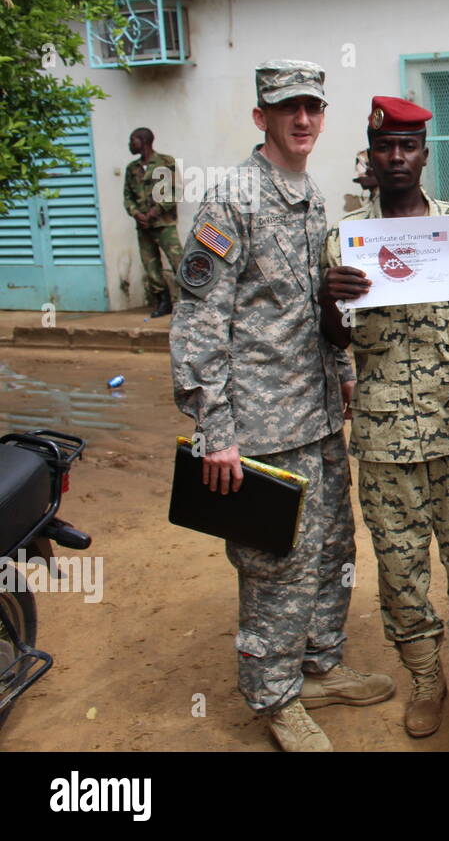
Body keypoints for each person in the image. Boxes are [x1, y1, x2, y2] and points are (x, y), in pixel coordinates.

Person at [171, 60, 393, 753]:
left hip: (320, 412)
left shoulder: (313, 195)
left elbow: (316, 305)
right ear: (260, 115)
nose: (303, 119)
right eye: (287, 107)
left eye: (313, 107)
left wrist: (344, 370)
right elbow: (200, 319)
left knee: (331, 547)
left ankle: (318, 663)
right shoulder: (232, 198)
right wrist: (215, 431)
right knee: (276, 562)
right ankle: (274, 696)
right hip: (262, 427)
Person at [320, 96, 449, 738]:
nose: (396, 157)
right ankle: (425, 676)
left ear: (425, 153)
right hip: (385, 432)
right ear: (369, 155)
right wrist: (328, 301)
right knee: (400, 568)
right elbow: (333, 340)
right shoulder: (343, 239)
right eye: (384, 147)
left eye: (408, 146)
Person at [123, 127, 181, 318]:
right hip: (143, 225)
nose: (130, 144)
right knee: (150, 265)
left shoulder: (166, 162)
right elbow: (127, 196)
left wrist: (156, 211)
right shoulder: (132, 169)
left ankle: (189, 301)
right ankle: (163, 302)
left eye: (133, 140)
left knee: (178, 261)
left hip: (164, 223)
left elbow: (176, 191)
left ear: (144, 141)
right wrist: (136, 214)